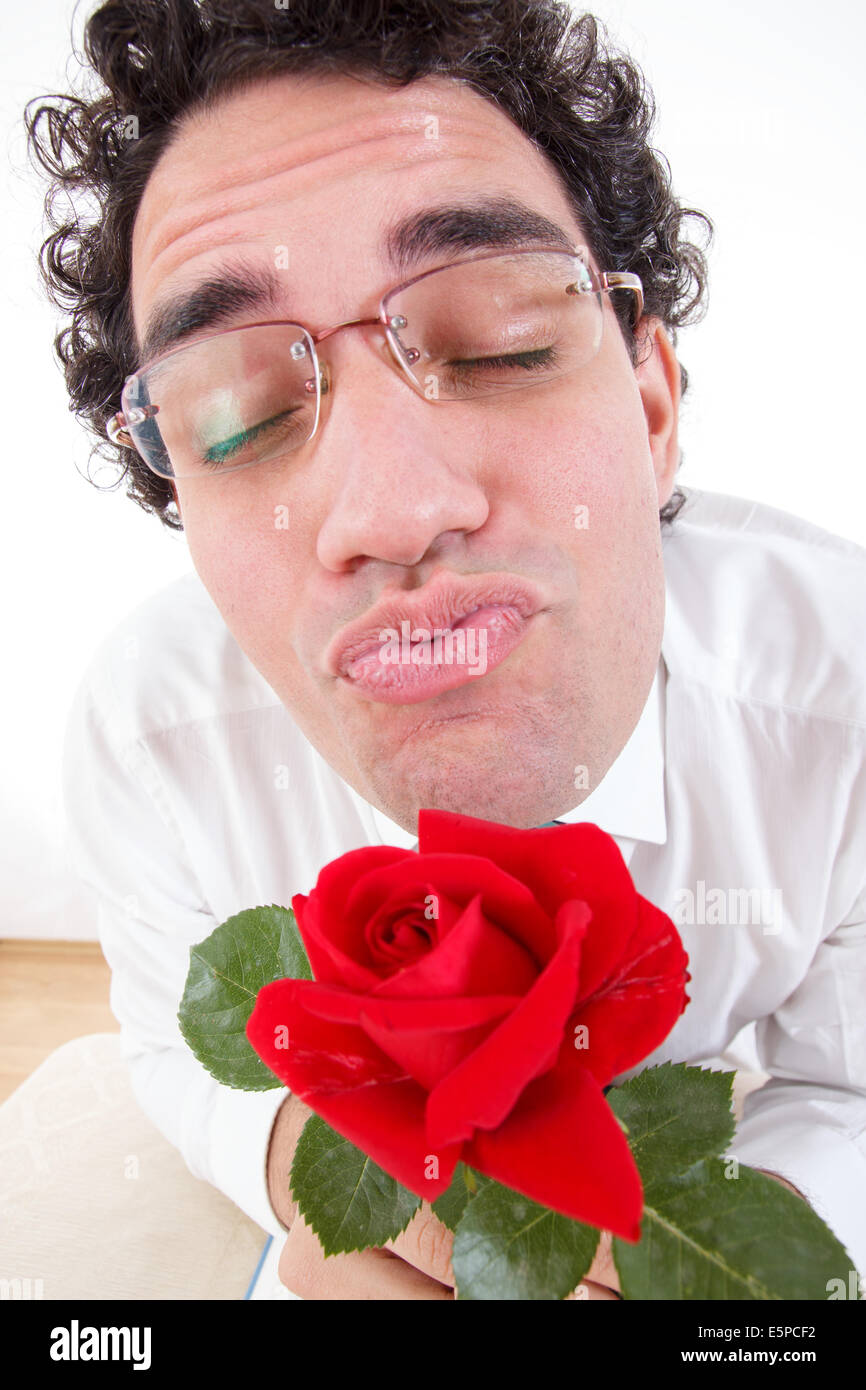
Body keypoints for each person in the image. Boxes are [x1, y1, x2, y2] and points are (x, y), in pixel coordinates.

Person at [28, 0, 865, 1299]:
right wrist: (301, 1149)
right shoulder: (151, 742)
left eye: (499, 339)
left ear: (648, 411)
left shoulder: (839, 696)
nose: (392, 510)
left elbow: (849, 1078)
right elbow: (171, 1041)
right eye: (238, 415)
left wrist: (706, 1273)